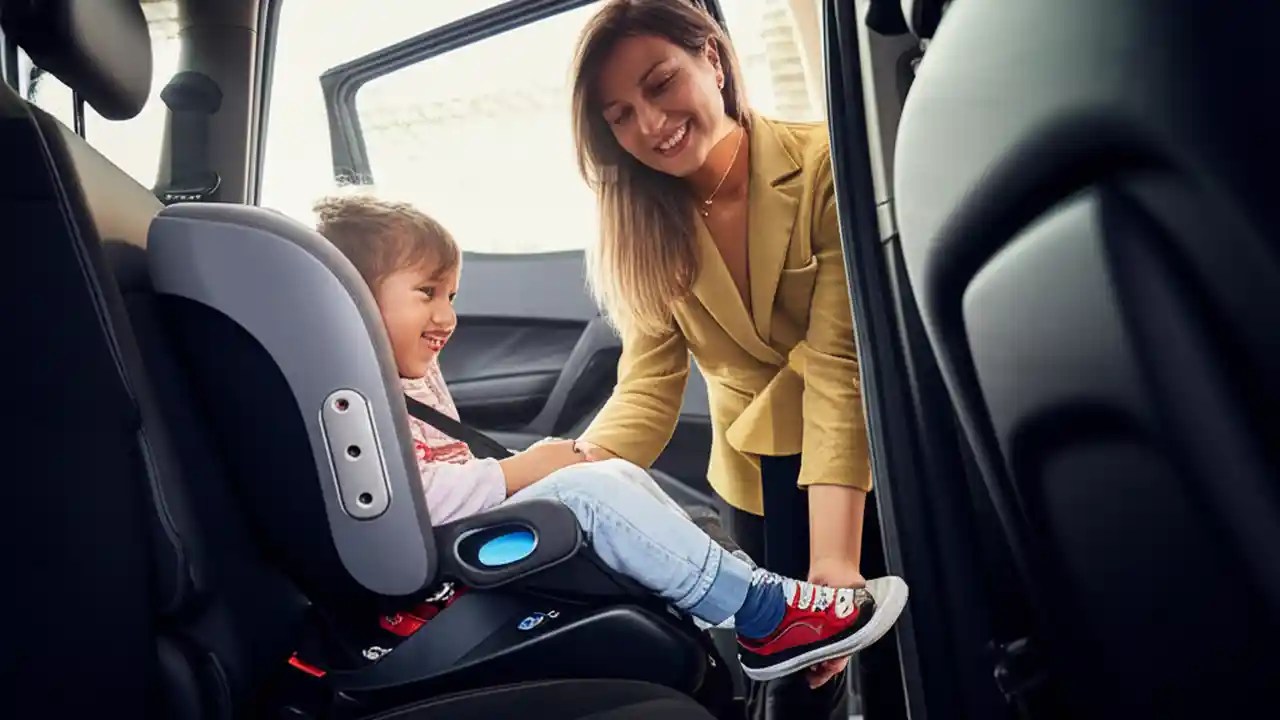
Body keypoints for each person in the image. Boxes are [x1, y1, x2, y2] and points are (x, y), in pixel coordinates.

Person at [311, 194, 907, 683]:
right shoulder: (346, 404)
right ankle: (765, 616)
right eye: (427, 294)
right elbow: (415, 503)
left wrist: (557, 465)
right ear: (355, 299)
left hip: (463, 530)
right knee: (593, 493)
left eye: (452, 296)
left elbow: (453, 465)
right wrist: (525, 472)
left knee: (613, 477)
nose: (448, 317)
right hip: (436, 570)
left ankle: (745, 591)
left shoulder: (402, 375)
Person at [566, 0, 905, 714]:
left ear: (712, 60)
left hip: (865, 460)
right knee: (792, 695)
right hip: (755, 478)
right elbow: (648, 390)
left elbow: (840, 366)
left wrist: (834, 563)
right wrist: (561, 474)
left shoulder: (822, 163)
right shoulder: (644, 226)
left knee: (903, 667)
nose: (650, 125)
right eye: (620, 115)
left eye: (659, 84)